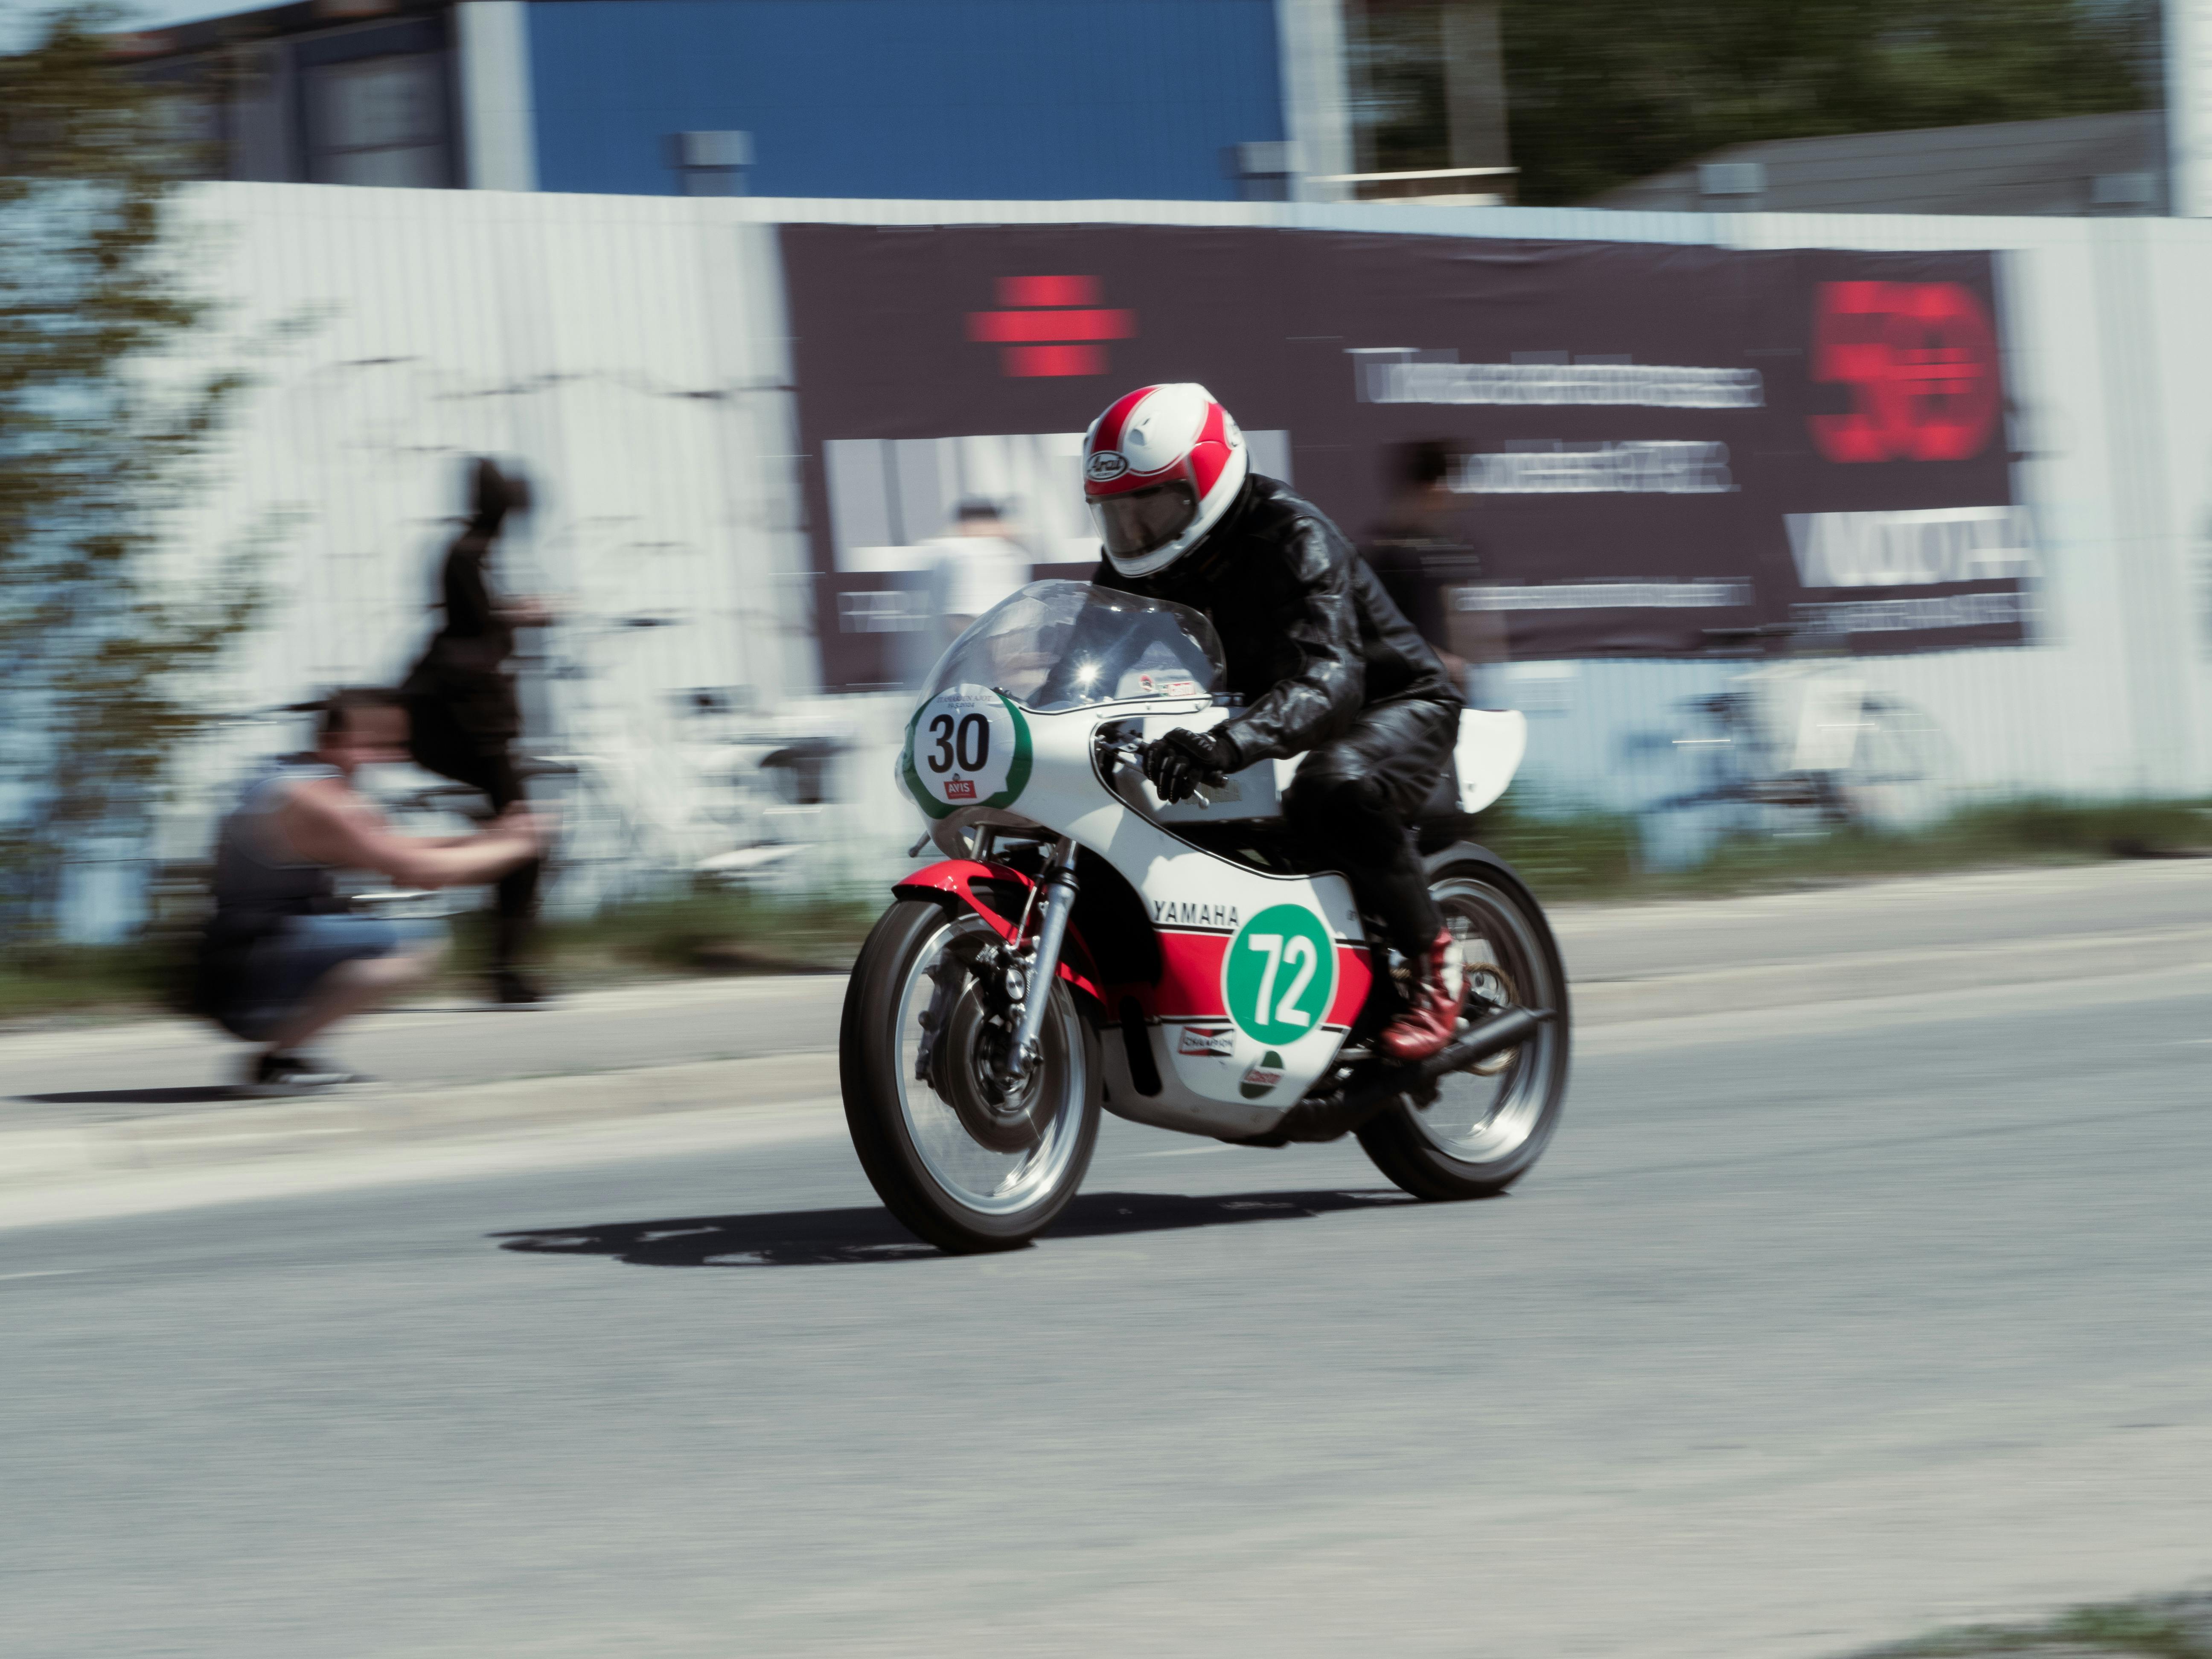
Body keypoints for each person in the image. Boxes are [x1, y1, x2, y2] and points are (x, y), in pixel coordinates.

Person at [1079, 383, 1467, 1062]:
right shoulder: (1136, 562)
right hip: (1268, 715)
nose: (1135, 530)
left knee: (1331, 786)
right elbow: (1083, 663)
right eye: (1118, 512)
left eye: (1151, 505)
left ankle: (1436, 965)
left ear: (1206, 484)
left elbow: (1332, 682)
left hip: (1392, 703)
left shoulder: (1293, 534)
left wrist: (1226, 744)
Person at [197, 688, 547, 1095]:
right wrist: (517, 846)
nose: (393, 758)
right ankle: (278, 1063)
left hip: (235, 962)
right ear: (332, 742)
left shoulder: (291, 781)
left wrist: (487, 839)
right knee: (416, 944)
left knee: (375, 929)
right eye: (377, 745)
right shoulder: (319, 802)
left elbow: (395, 849)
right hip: (247, 977)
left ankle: (287, 1057)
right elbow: (416, 871)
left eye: (398, 745)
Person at [402, 457, 552, 1004]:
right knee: (522, 842)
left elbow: (477, 625)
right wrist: (522, 617)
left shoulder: (471, 555)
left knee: (515, 840)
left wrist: (511, 615)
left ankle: (504, 966)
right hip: (470, 726)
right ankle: (504, 970)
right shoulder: (466, 555)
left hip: (476, 726)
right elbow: (475, 633)